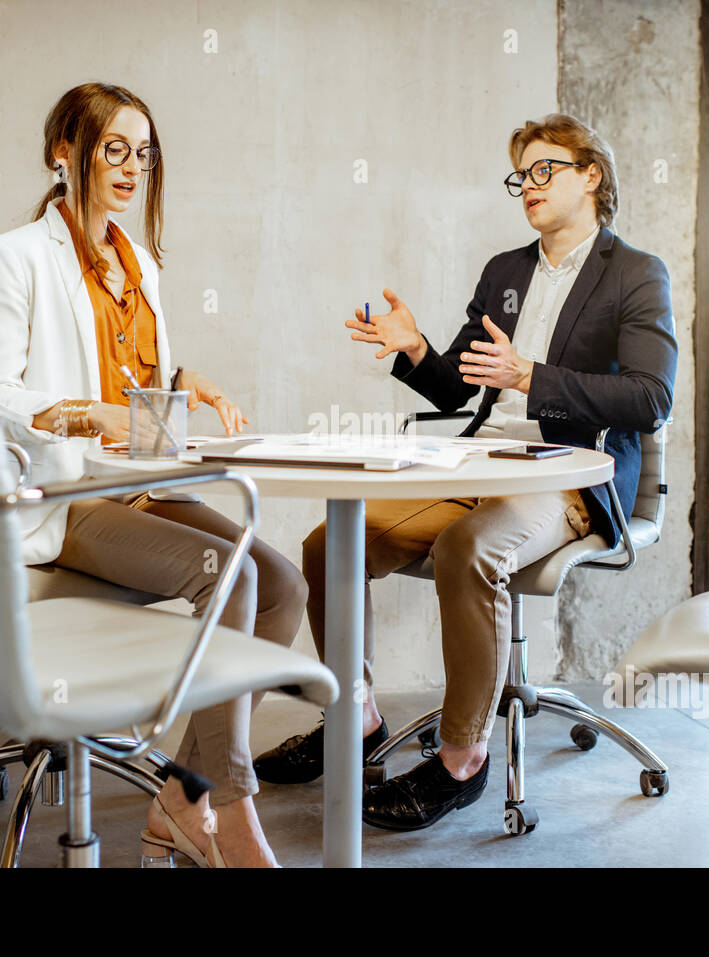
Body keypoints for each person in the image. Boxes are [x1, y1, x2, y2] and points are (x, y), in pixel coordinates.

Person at [254, 113, 677, 832]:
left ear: (591, 175)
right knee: (332, 545)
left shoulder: (634, 273)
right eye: (521, 175)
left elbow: (651, 396)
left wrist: (532, 375)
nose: (528, 187)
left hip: (569, 478)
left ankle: (462, 758)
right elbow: (456, 389)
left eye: (545, 169)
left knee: (468, 549)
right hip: (481, 462)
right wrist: (414, 348)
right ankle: (353, 719)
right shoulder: (505, 271)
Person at [0, 82, 306, 867]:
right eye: (114, 148)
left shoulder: (142, 264)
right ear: (65, 153)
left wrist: (188, 381)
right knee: (223, 572)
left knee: (283, 583)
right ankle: (226, 807)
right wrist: (87, 415)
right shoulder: (16, 255)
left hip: (138, 483)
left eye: (144, 152)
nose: (132, 167)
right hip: (64, 491)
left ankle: (181, 790)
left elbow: (132, 376)